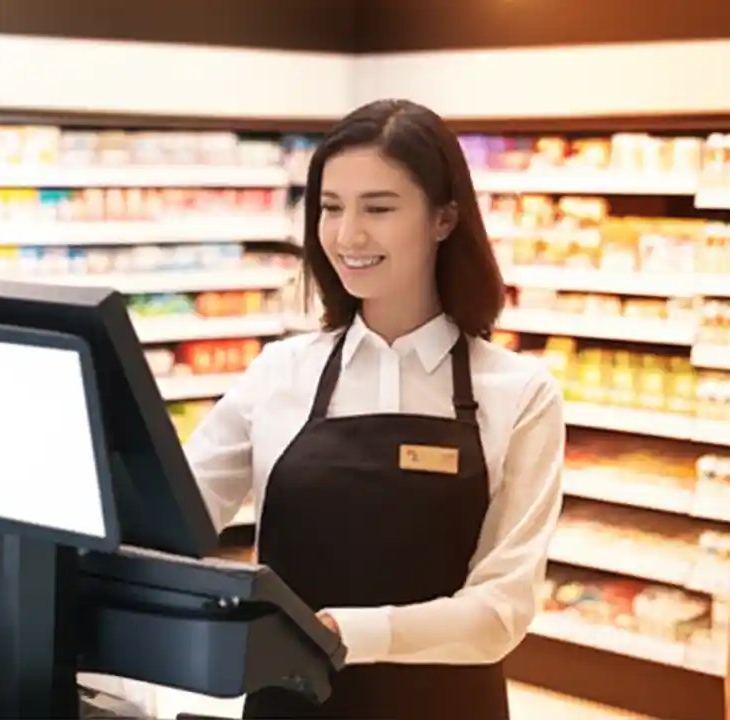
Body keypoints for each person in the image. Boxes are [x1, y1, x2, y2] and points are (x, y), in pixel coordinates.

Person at [184, 99, 565, 719]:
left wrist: (344, 633)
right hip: (292, 704)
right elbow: (173, 514)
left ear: (444, 218)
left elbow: (502, 610)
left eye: (379, 208)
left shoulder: (519, 392)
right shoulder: (281, 373)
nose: (347, 235)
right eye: (331, 208)